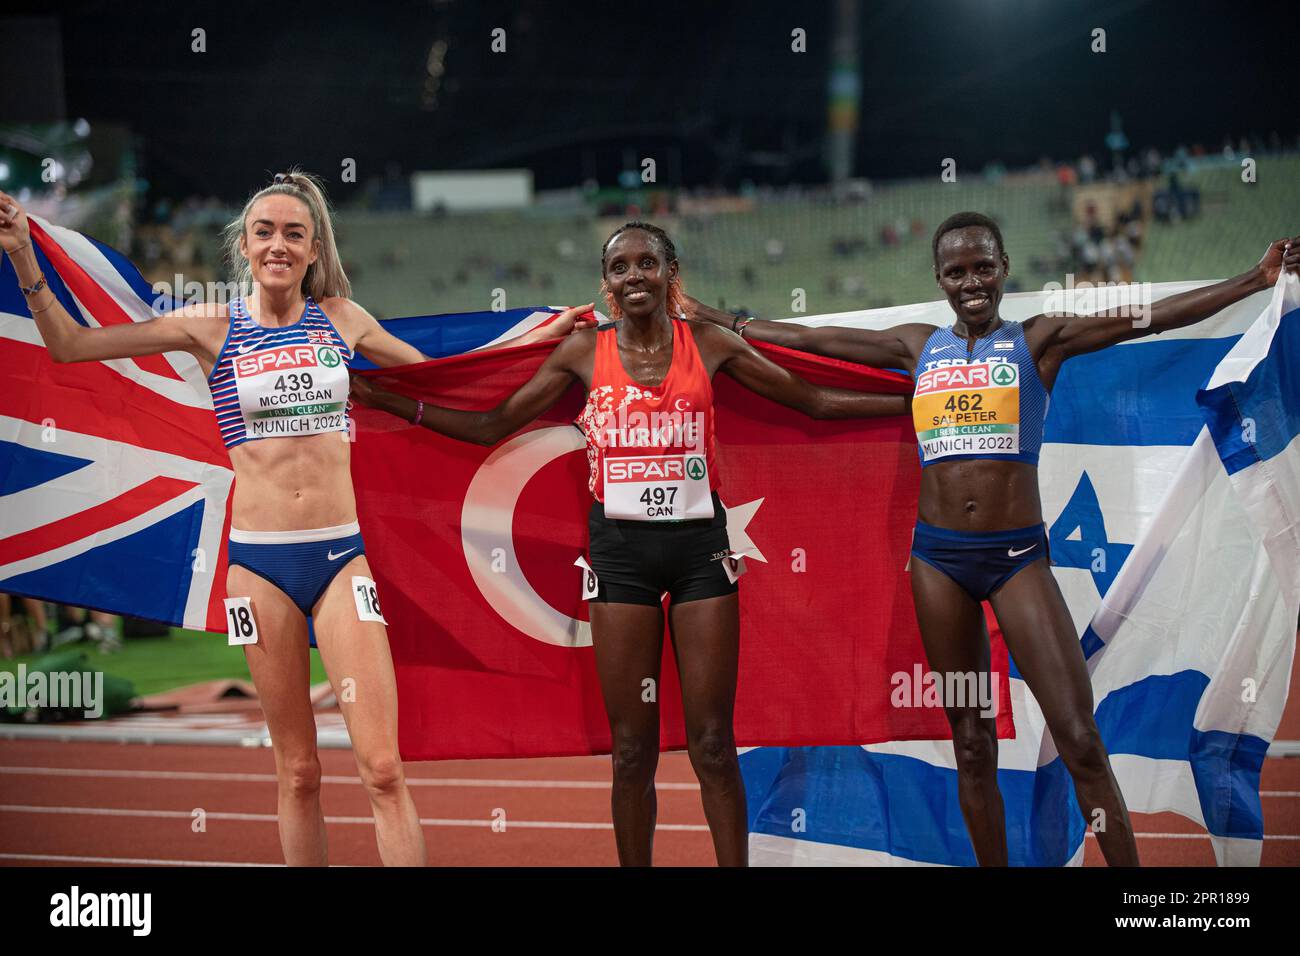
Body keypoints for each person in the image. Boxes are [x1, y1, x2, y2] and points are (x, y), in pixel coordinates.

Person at [0, 172, 590, 866]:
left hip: (342, 560)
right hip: (258, 567)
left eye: (293, 233)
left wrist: (540, 339)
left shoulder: (341, 318)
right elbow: (69, 346)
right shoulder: (208, 326)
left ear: (313, 250)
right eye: (264, 231)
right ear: (244, 247)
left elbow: (443, 373)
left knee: (382, 769)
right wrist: (21, 254)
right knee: (298, 771)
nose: (278, 244)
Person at [689, 211, 1300, 866]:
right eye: (956, 271)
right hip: (939, 567)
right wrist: (723, 321)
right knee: (972, 744)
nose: (971, 281)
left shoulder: (1039, 340)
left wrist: (1252, 281)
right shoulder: (915, 346)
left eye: (983, 266)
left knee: (1079, 739)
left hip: (1016, 564)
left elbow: (1148, 318)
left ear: (1003, 268)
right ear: (940, 278)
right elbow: (816, 338)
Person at [349, 221, 911, 866]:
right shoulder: (583, 353)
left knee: (711, 742)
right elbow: (491, 426)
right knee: (632, 748)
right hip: (619, 558)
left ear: (672, 273)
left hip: (702, 552)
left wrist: (910, 404)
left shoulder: (710, 343)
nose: (634, 276)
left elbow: (811, 399)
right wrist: (389, 400)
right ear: (607, 284)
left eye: (648, 263)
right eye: (620, 267)